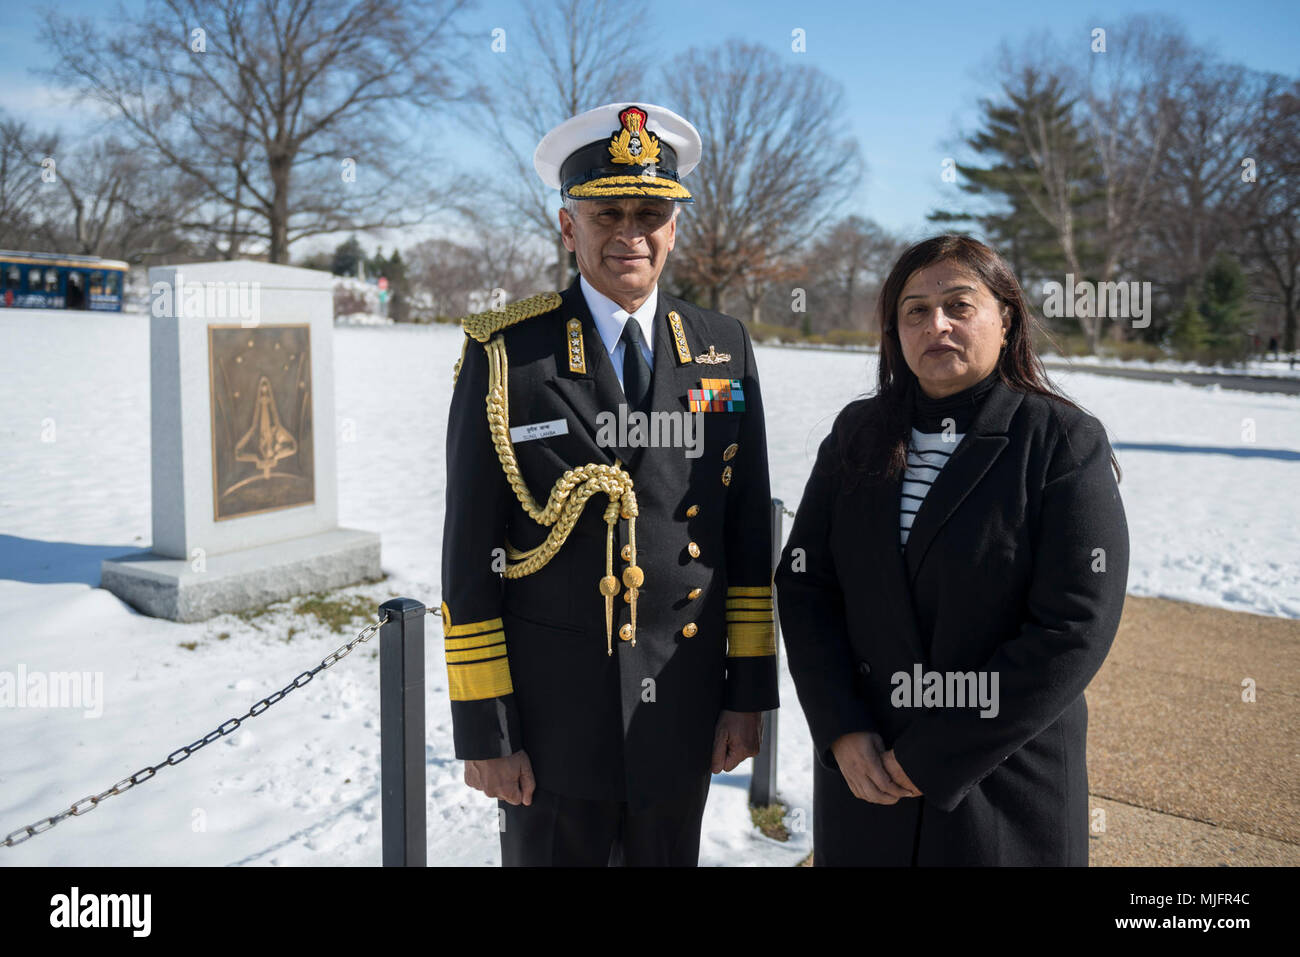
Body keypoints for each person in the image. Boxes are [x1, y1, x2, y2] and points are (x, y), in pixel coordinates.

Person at [441, 102, 779, 866]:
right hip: (554, 721)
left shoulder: (722, 351)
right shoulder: (508, 356)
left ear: (673, 226)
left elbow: (745, 534)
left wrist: (747, 691)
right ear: (569, 228)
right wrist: (487, 730)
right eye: (606, 213)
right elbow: (470, 558)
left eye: (650, 212)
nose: (630, 232)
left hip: (684, 705)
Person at [775, 234, 1129, 865]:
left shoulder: (1060, 442)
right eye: (914, 310)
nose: (936, 324)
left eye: (958, 305)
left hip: (1000, 789)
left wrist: (934, 755)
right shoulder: (858, 434)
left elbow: (1074, 626)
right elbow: (807, 587)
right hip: (866, 779)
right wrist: (842, 728)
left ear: (1006, 317)